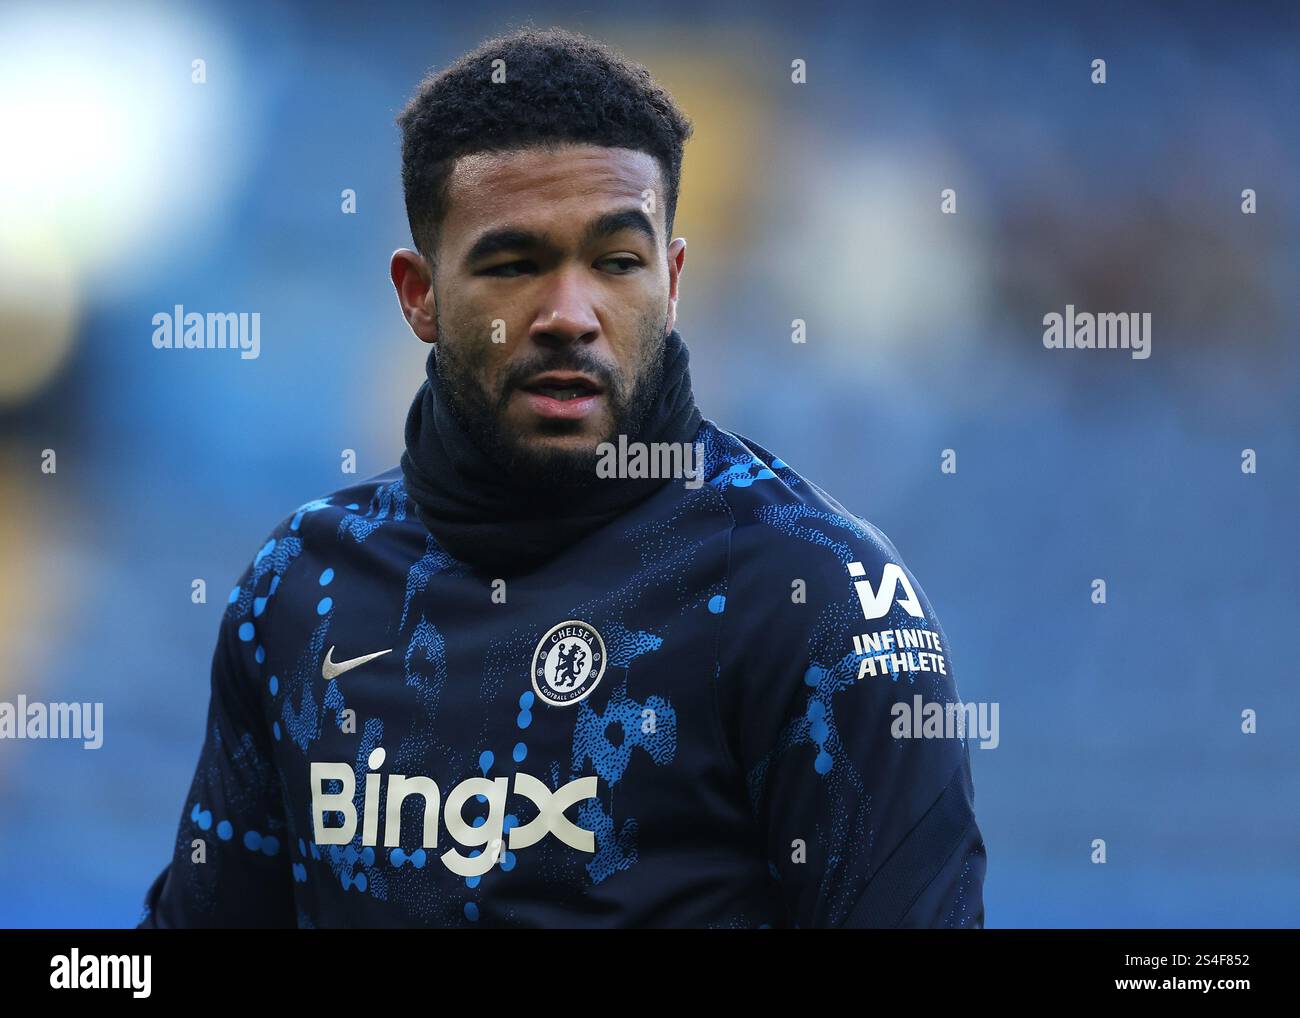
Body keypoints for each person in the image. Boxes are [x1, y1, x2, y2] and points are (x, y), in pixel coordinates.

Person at [137, 26, 985, 928]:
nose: (570, 315)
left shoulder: (809, 591)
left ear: (674, 279)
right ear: (417, 294)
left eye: (618, 262)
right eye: (513, 265)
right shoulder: (302, 588)